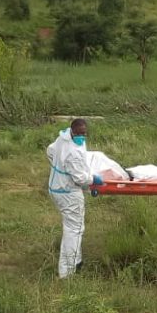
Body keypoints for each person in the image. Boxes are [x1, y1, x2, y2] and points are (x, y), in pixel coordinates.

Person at [46, 118, 104, 278]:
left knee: (75, 227)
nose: (81, 137)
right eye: (79, 134)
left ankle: (76, 261)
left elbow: (50, 151)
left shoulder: (62, 138)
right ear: (73, 131)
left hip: (57, 188)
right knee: (73, 230)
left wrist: (59, 169)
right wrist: (93, 181)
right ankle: (67, 272)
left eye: (84, 134)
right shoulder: (72, 152)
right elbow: (80, 179)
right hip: (68, 193)